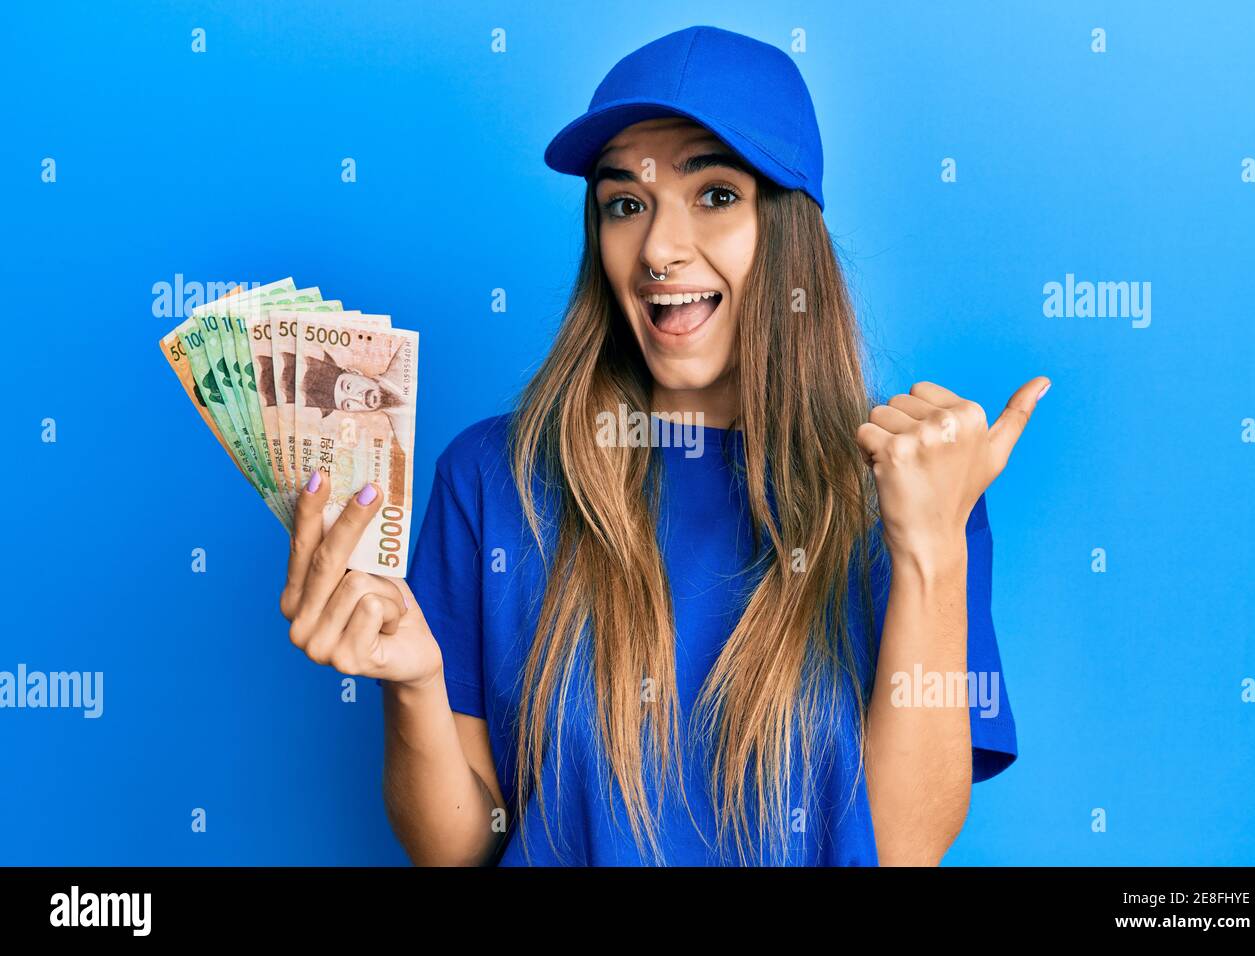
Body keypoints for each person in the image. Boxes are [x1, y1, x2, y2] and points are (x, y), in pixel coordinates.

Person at [278, 25, 1048, 866]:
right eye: (625, 203)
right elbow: (460, 849)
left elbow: (897, 849)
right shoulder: (490, 479)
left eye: (715, 194)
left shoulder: (908, 492)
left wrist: (932, 544)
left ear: (788, 231)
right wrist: (416, 685)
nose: (658, 250)